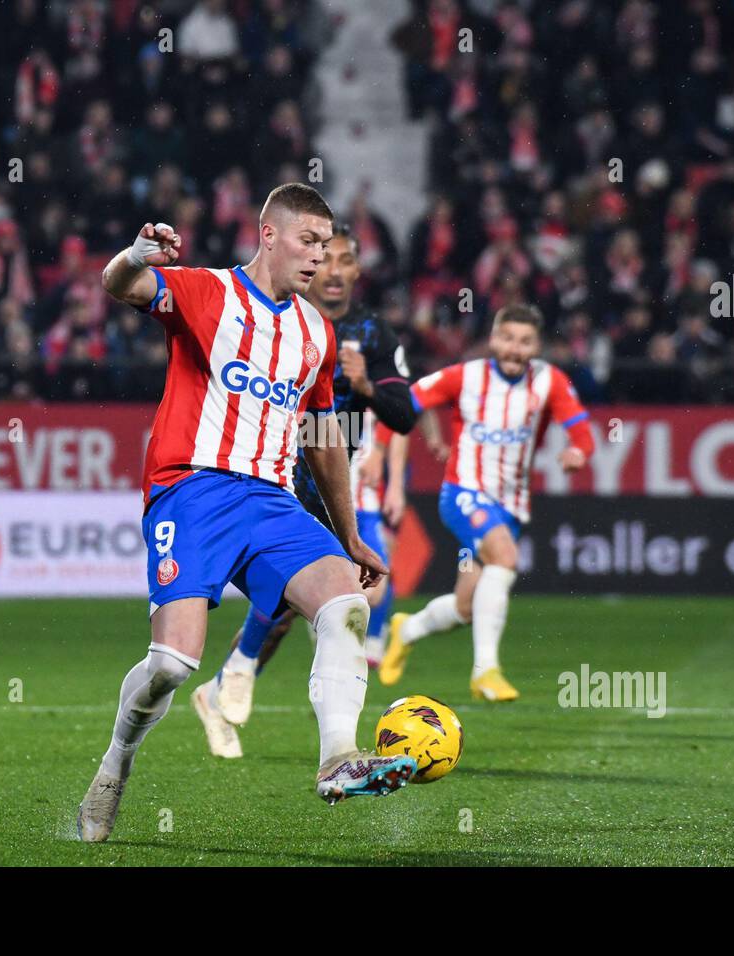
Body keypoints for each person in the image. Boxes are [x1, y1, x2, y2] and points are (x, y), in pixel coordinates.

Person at [77, 184, 414, 843]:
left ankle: (338, 759)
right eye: (308, 241)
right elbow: (121, 285)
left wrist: (348, 536)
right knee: (173, 666)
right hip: (191, 490)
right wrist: (134, 254)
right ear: (268, 235)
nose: (320, 258)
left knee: (346, 603)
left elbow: (323, 440)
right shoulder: (208, 293)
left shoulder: (317, 331)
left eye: (328, 245)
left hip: (267, 499)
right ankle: (117, 760)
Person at [188, 227, 417, 759]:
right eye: (325, 258)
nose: (334, 270)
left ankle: (230, 678)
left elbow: (404, 416)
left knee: (330, 599)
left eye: (346, 260)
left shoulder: (374, 334)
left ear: (358, 270)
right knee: (318, 596)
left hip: (336, 478)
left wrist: (365, 389)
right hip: (278, 470)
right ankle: (242, 682)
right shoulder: (280, 320)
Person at [379, 304, 595, 701]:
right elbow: (403, 404)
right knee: (506, 558)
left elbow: (581, 430)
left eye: (525, 341)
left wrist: (578, 452)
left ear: (537, 345)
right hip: (463, 494)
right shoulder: (466, 376)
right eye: (508, 338)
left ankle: (406, 629)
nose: (515, 348)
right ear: (494, 339)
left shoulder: (550, 381)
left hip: (510, 505)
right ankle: (486, 672)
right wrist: (379, 451)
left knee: (467, 606)